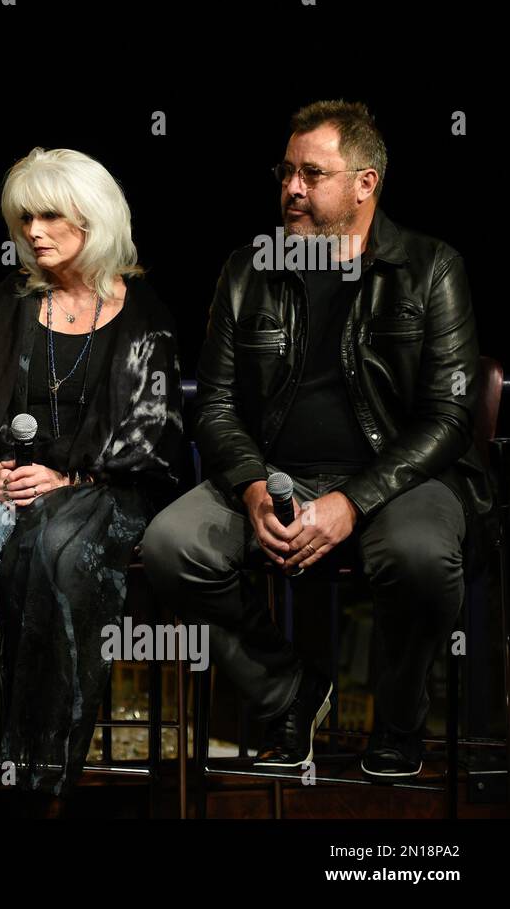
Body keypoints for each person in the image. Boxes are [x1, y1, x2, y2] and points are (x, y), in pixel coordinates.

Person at [141, 100, 496, 780]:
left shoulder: (429, 267)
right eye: (286, 171)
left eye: (312, 173)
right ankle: (291, 691)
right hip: (277, 477)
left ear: (366, 183)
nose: (292, 189)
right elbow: (213, 404)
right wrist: (247, 486)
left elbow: (450, 416)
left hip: (400, 483)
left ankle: (397, 720)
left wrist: (351, 502)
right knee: (170, 544)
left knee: (420, 555)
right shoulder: (247, 270)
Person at [0, 147, 185, 817]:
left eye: (51, 215)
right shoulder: (3, 307)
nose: (34, 231)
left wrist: (70, 474)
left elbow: (150, 432)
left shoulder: (143, 316)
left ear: (94, 219)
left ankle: (35, 747)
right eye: (26, 218)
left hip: (96, 491)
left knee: (54, 551)